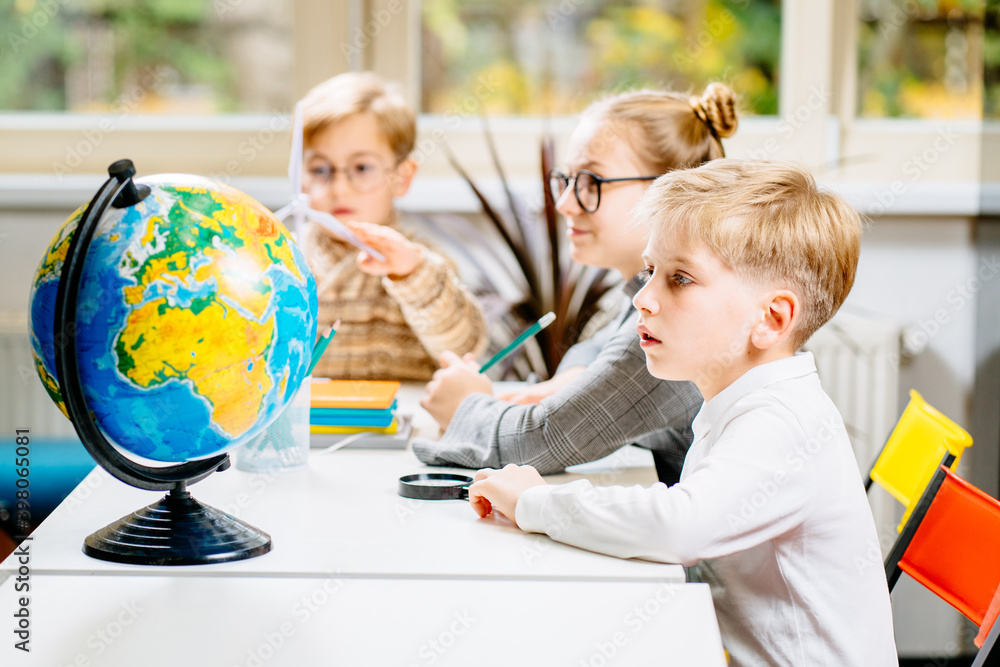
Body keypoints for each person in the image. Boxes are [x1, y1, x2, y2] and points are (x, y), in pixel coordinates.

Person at [466, 160, 897, 666]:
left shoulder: (782, 421)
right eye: (650, 272)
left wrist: (537, 504)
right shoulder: (747, 400)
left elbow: (681, 527)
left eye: (680, 278)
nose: (644, 299)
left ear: (771, 319)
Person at [414, 84, 738, 483]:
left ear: (669, 190)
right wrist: (566, 383)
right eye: (566, 181)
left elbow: (540, 443)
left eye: (590, 182)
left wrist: (466, 406)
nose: (565, 203)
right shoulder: (648, 294)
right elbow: (593, 350)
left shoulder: (679, 317)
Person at [299, 72, 488, 381]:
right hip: (307, 428)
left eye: (361, 168)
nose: (339, 188)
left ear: (401, 177)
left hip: (400, 425)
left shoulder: (421, 265)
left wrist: (412, 274)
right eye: (320, 169)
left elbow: (465, 349)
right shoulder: (283, 259)